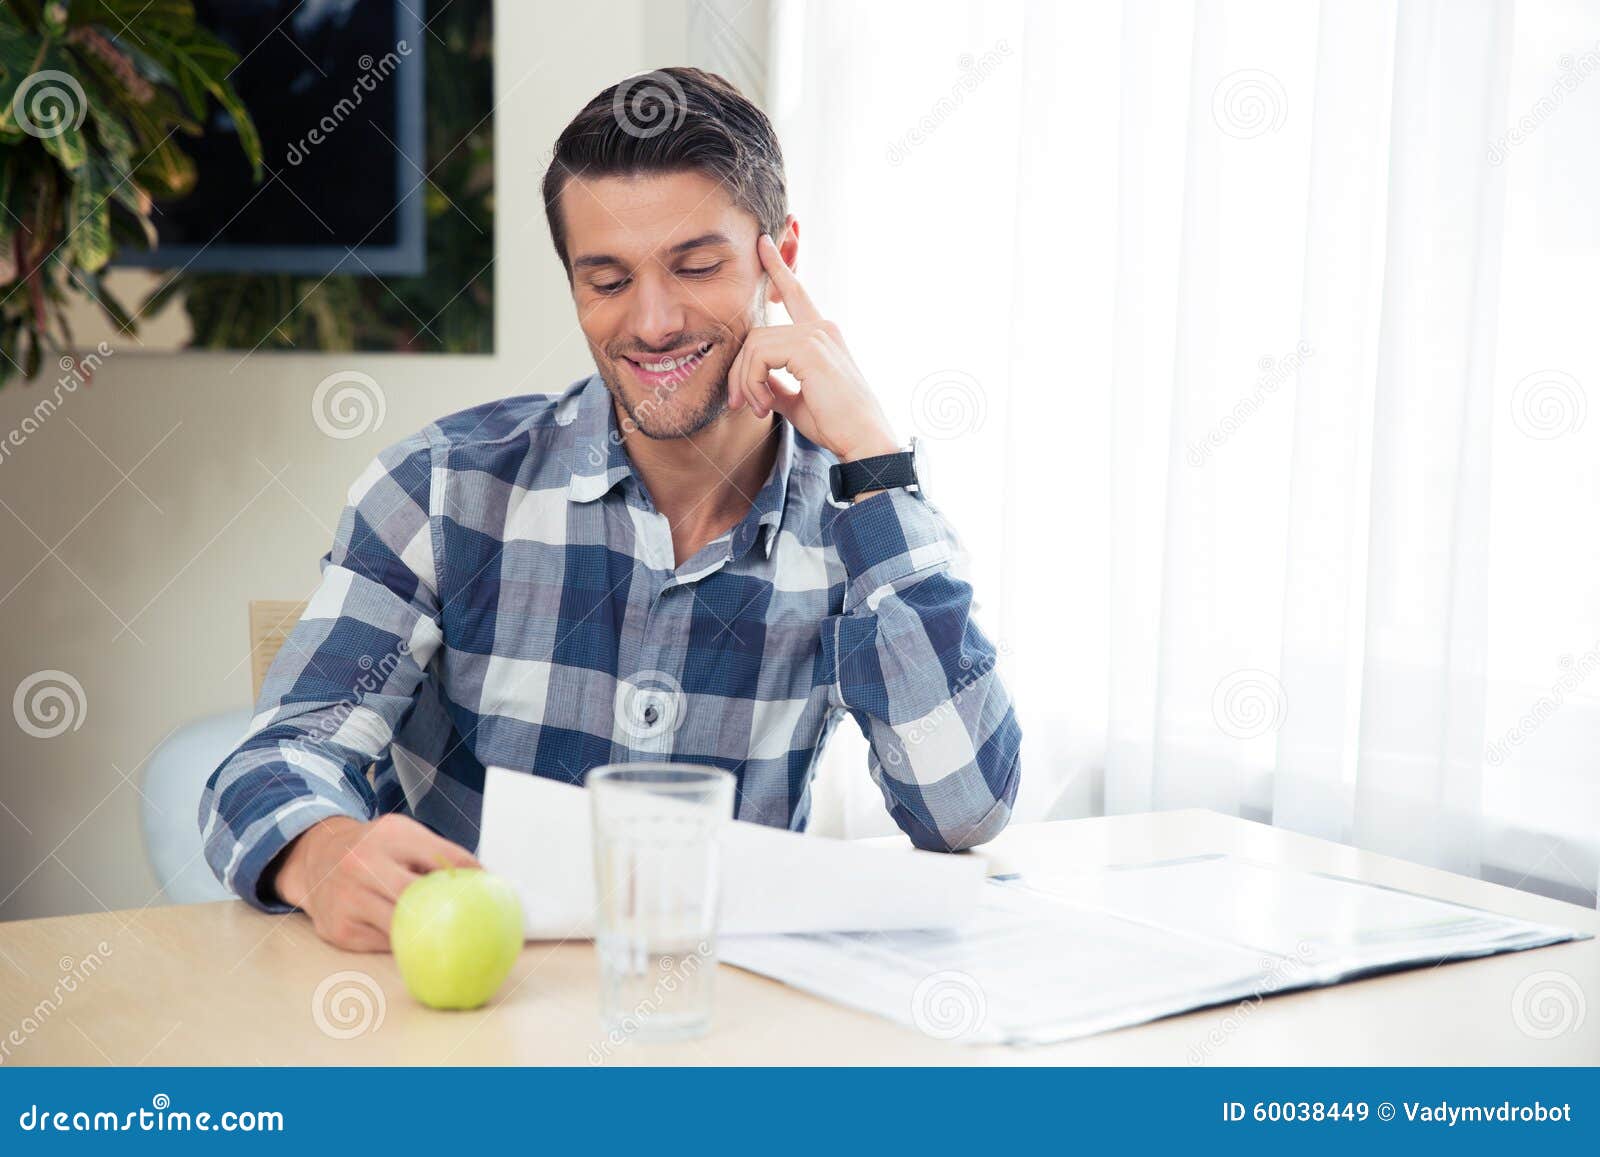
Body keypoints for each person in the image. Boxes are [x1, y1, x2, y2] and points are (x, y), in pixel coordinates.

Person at [199, 67, 1021, 950]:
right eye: (607, 280)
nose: (655, 321)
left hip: (717, 1026)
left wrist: (876, 461)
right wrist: (323, 856)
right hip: (469, 1024)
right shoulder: (442, 488)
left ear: (778, 257)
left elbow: (963, 811)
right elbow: (272, 761)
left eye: (697, 265)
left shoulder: (861, 510)